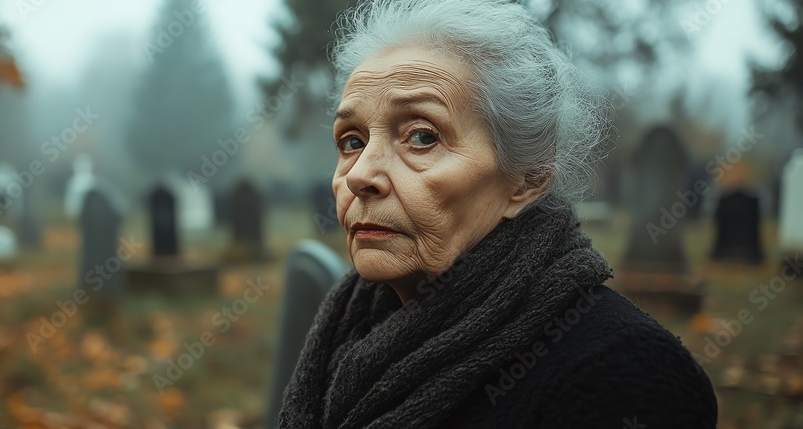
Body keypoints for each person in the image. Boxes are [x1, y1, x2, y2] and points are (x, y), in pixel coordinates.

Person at [276, 0, 718, 427]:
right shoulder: (344, 331)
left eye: (422, 137)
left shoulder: (624, 375)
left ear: (527, 180)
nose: (359, 176)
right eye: (352, 141)